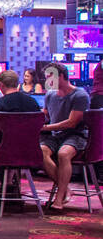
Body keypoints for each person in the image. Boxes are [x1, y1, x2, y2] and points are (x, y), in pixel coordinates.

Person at [41, 61, 90, 210]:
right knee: (40, 152)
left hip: (75, 135)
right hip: (55, 135)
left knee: (63, 154)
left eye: (49, 76)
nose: (47, 80)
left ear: (61, 76)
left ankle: (59, 198)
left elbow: (72, 123)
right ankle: (66, 189)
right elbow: (46, 116)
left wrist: (46, 127)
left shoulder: (80, 95)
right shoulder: (50, 95)